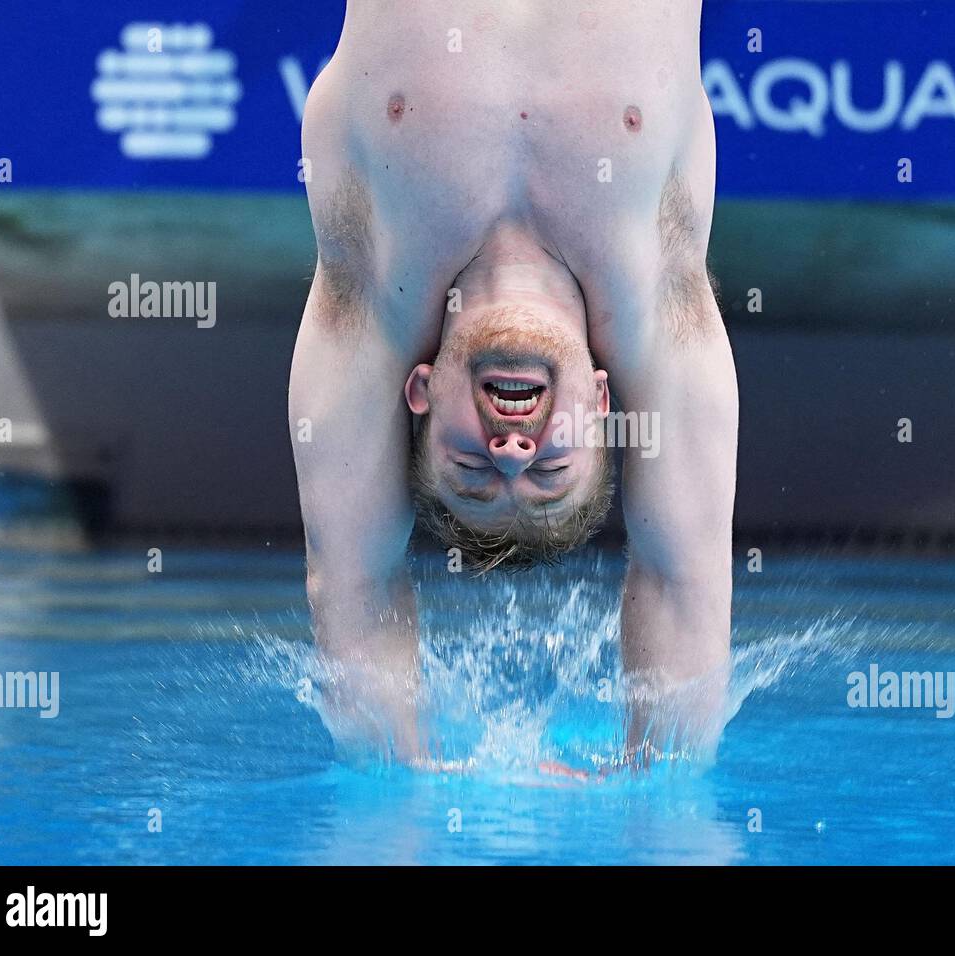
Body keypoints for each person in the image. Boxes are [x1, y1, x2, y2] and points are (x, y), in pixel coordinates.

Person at [289, 0, 737, 767]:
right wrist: (647, 776)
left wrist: (405, 771)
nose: (512, 449)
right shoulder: (654, 304)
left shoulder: (372, 291)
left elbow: (353, 581)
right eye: (549, 470)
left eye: (473, 469)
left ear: (420, 393)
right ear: (602, 408)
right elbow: (679, 576)